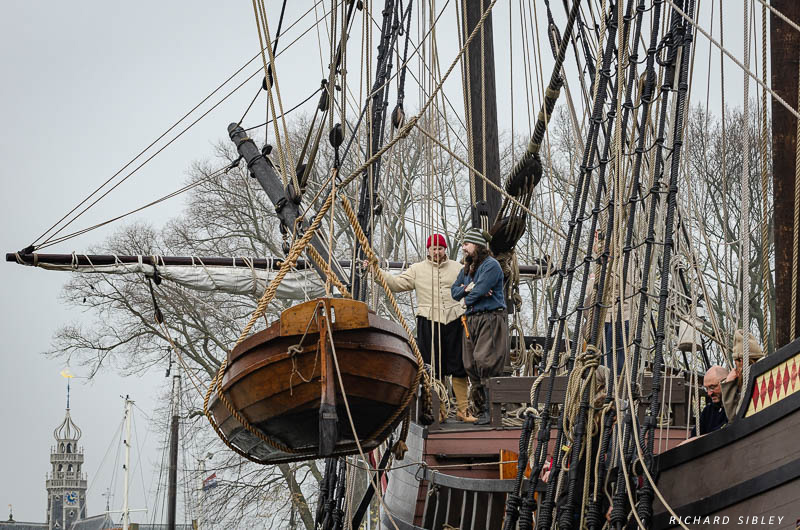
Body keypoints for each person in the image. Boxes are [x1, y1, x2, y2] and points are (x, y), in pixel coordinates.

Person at [375, 233, 476, 423]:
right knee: (432, 367)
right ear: (428, 250)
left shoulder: (459, 268)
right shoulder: (417, 269)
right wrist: (376, 272)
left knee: (459, 365)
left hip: (455, 319)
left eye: (440, 248)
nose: (437, 252)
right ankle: (439, 410)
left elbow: (474, 283)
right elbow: (397, 284)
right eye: (433, 249)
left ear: (445, 249)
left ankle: (463, 410)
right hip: (429, 321)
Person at [451, 227, 508, 425]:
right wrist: (468, 289)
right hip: (472, 320)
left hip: (489, 318)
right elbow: (454, 292)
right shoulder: (466, 269)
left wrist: (467, 297)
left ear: (477, 245)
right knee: (471, 364)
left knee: (486, 361)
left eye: (466, 244)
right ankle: (481, 407)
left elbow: (481, 289)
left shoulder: (491, 266)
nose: (463, 248)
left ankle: (491, 412)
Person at [720, 329, 764, 421]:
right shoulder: (764, 371)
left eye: (735, 363)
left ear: (741, 361)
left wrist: (729, 383)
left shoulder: (749, 378)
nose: (735, 368)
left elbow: (735, 417)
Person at [690, 365, 730, 437]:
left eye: (712, 387)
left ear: (725, 383)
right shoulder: (708, 411)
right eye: (706, 388)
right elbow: (694, 435)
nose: (709, 393)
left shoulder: (735, 405)